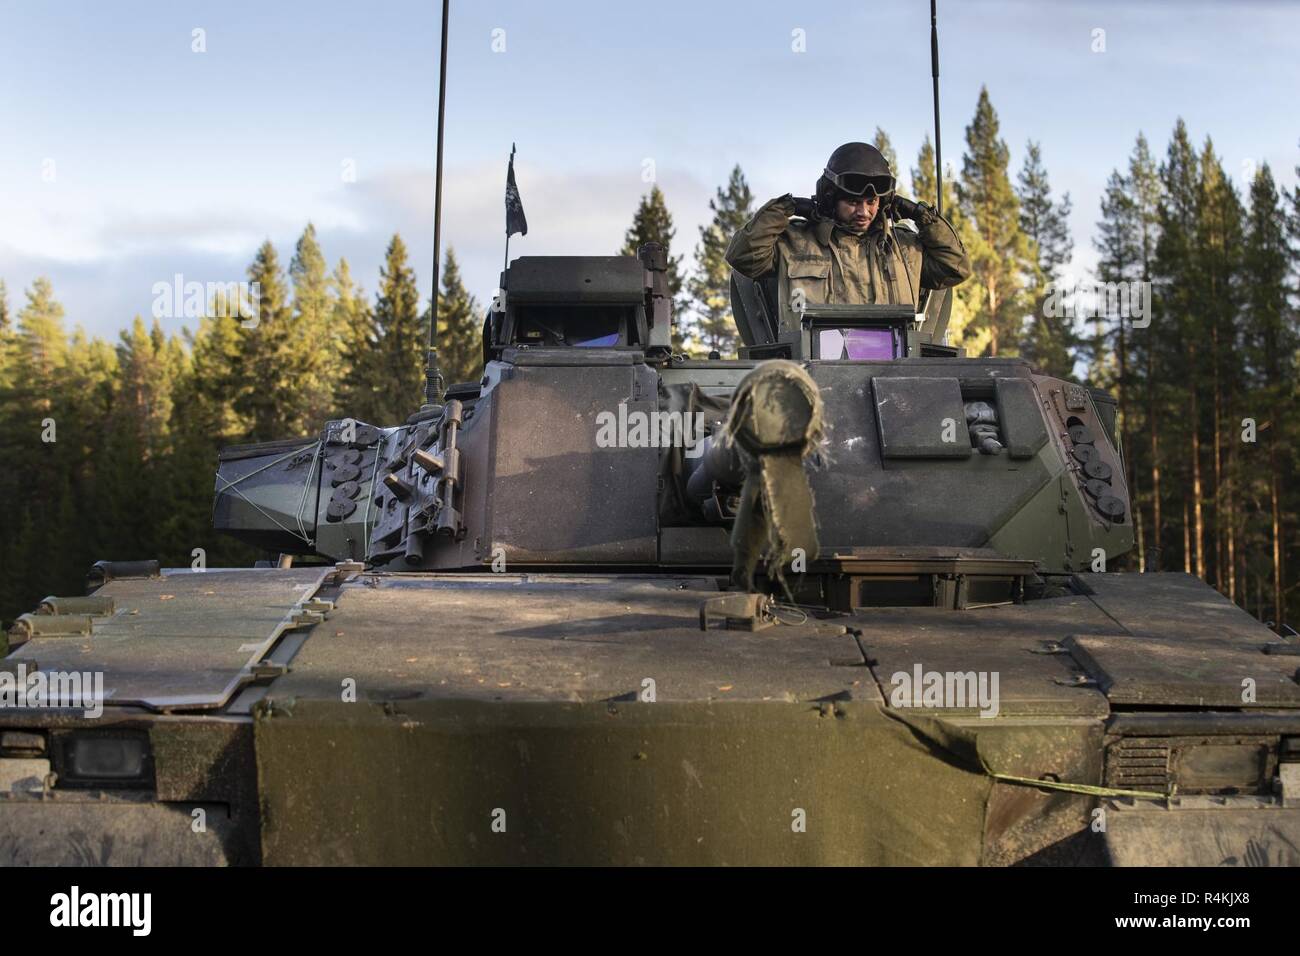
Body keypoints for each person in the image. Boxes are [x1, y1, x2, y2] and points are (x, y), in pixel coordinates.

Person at [725, 142, 971, 331]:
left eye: (872, 201)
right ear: (831, 198)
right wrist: (784, 208)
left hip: (892, 375)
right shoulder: (795, 243)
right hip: (812, 371)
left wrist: (920, 214)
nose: (864, 212)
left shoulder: (904, 248)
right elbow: (744, 256)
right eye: (853, 202)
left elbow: (954, 267)